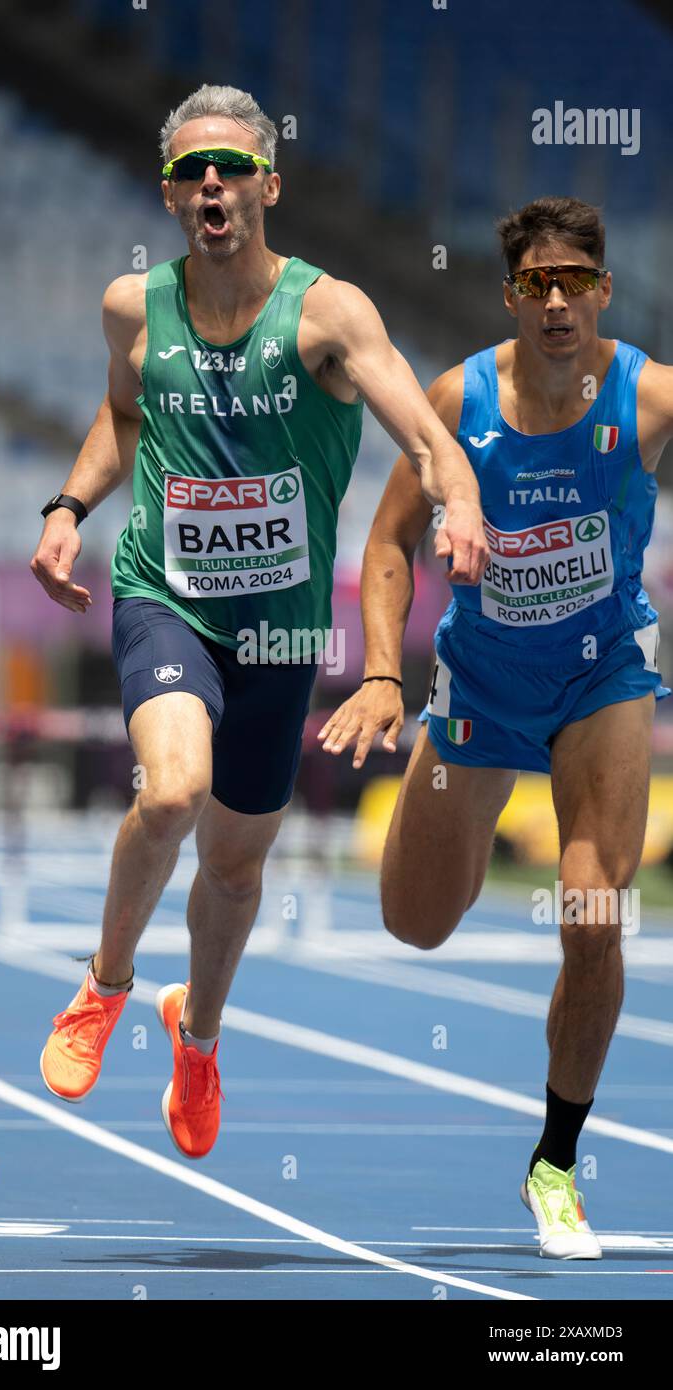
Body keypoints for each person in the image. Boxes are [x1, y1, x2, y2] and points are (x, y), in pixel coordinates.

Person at [30, 83, 487, 1159]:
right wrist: (66, 508)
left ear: (267, 185)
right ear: (170, 194)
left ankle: (196, 1037)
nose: (210, 186)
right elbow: (123, 412)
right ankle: (102, 986)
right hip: (165, 598)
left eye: (229, 167)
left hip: (280, 630)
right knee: (172, 788)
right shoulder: (132, 307)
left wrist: (456, 495)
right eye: (190, 172)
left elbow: (423, 434)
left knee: (235, 868)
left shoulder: (328, 314)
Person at [319, 196, 673, 1257]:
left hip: (598, 681)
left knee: (589, 913)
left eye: (574, 282)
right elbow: (382, 547)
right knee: (414, 922)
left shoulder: (647, 399)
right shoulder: (453, 401)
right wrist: (383, 673)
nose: (555, 301)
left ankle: (555, 1167)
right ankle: (463, 837)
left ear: (602, 291)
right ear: (508, 295)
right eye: (535, 284)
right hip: (473, 690)